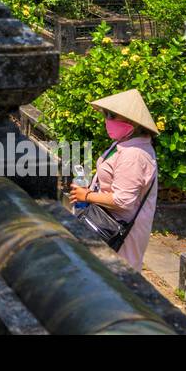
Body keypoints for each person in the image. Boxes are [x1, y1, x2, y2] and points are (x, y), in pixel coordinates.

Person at [68, 89, 159, 271]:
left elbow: (123, 200)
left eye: (111, 115)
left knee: (119, 275)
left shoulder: (134, 155)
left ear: (131, 121)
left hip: (119, 229)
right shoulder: (123, 143)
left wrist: (87, 196)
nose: (106, 120)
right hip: (105, 220)